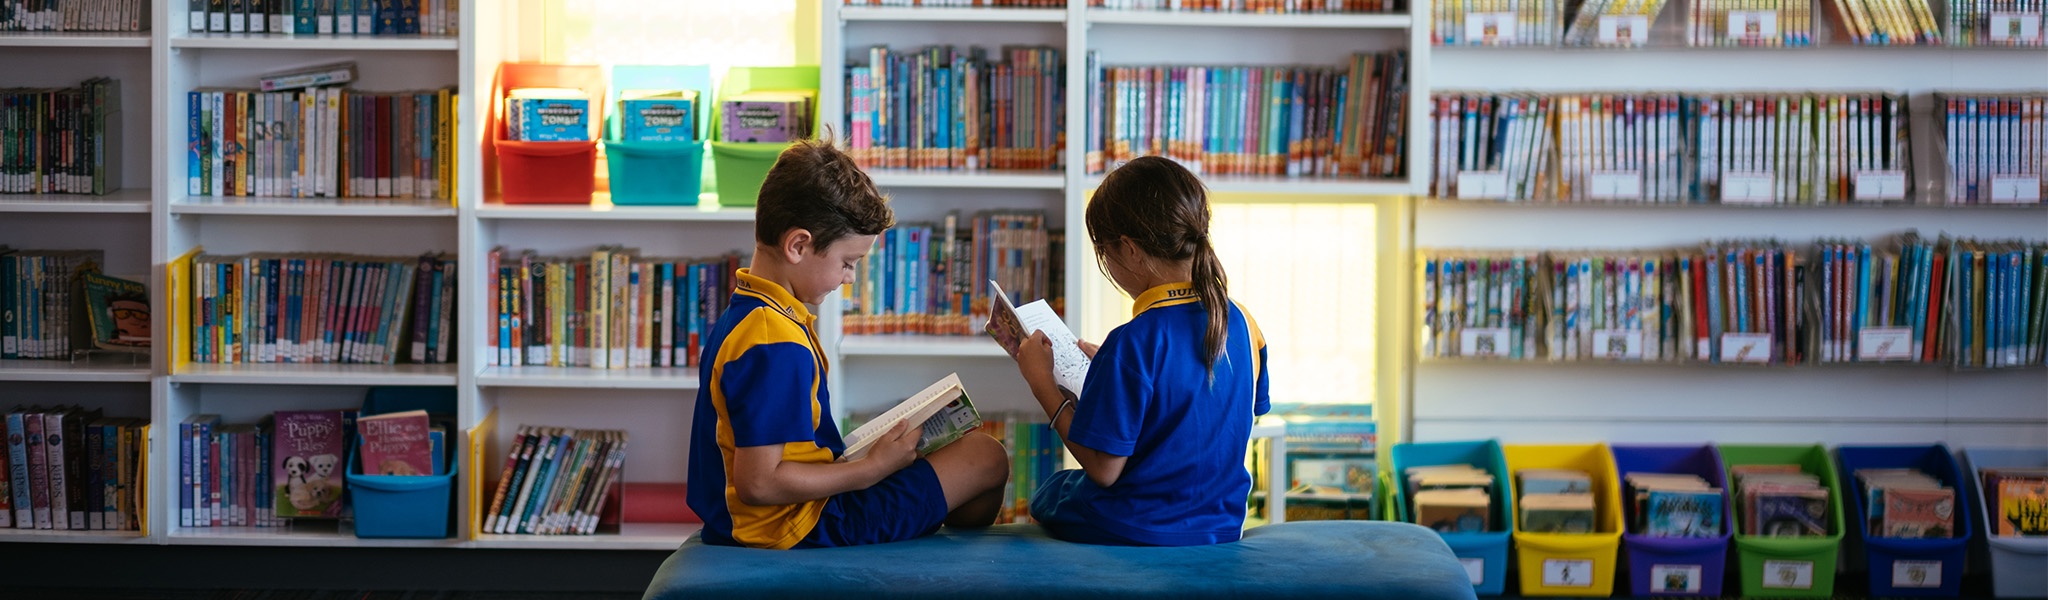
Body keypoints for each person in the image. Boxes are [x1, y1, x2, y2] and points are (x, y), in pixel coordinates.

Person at [686, 138, 1009, 549]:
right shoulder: (775, 342)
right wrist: (869, 471)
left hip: (764, 517)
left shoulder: (749, 313)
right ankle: (945, 554)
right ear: (798, 245)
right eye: (847, 263)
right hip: (798, 525)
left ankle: (926, 524)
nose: (850, 278)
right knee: (985, 457)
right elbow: (760, 484)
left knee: (948, 456)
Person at [1009, 155, 1271, 546]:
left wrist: (1042, 384)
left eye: (1106, 253)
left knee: (1053, 491)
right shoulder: (1243, 322)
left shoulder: (1133, 341)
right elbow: (1219, 415)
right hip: (1220, 523)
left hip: (1140, 526)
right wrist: (1112, 379)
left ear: (1130, 250)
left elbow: (1104, 470)